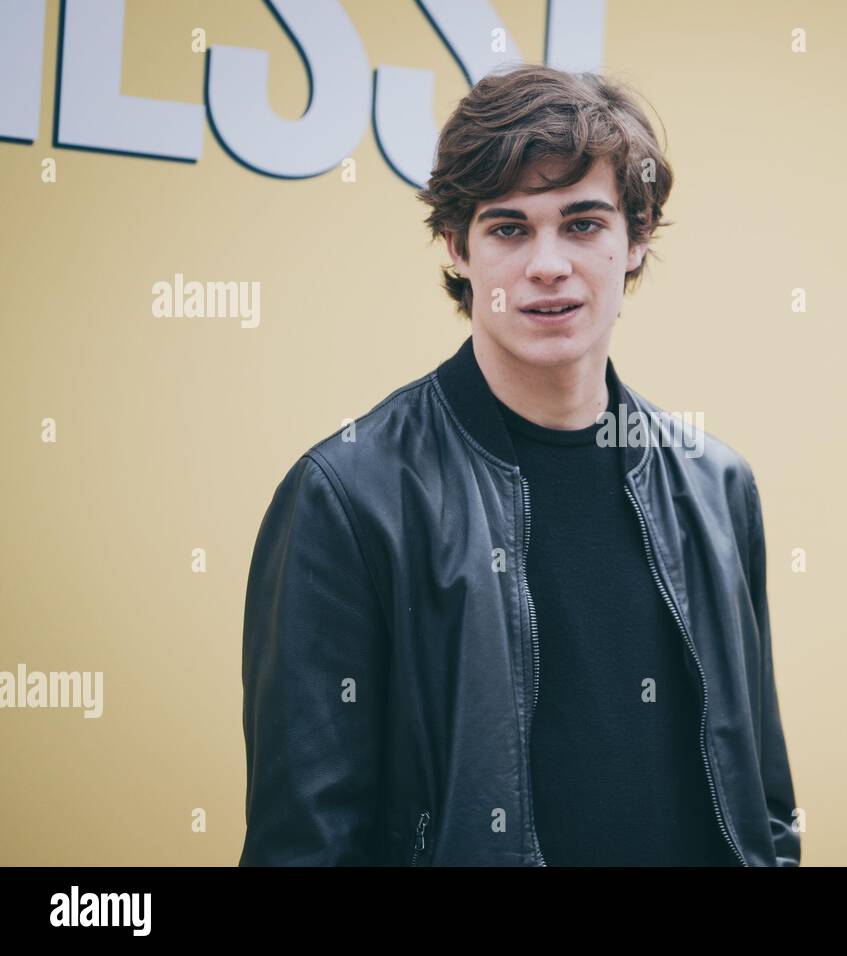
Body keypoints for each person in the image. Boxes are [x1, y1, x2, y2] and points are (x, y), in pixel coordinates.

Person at [239, 63, 799, 867]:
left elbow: (764, 806)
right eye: (509, 228)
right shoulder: (349, 494)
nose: (547, 264)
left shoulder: (718, 487)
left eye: (582, 224)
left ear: (635, 242)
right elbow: (306, 845)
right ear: (456, 248)